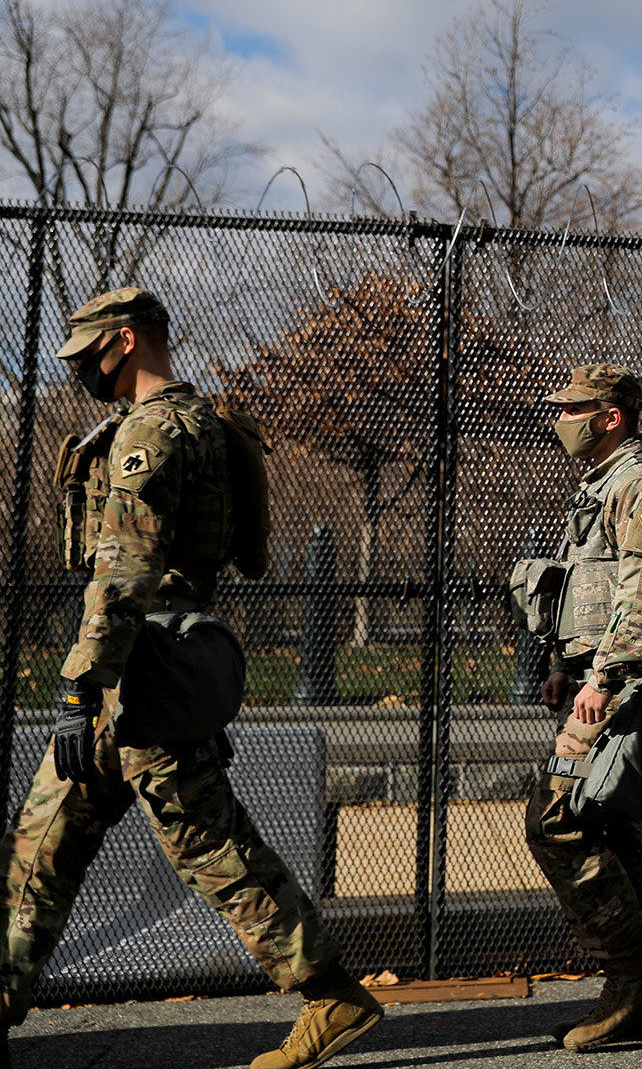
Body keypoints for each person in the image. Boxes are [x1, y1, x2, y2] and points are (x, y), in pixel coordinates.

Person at [1, 289, 382, 1069]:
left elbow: (125, 568)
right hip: (145, 667)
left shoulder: (152, 431)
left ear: (126, 340)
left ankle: (332, 992)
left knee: (208, 844)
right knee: (41, 844)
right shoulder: (203, 421)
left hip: (142, 671)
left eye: (86, 355)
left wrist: (80, 687)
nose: (80, 372)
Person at [522, 364, 642, 1050]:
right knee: (612, 832)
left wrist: (602, 679)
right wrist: (563, 669)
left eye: (571, 409)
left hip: (627, 694)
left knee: (557, 821)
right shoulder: (601, 487)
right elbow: (589, 593)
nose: (559, 420)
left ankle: (631, 981)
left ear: (611, 416)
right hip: (603, 684)